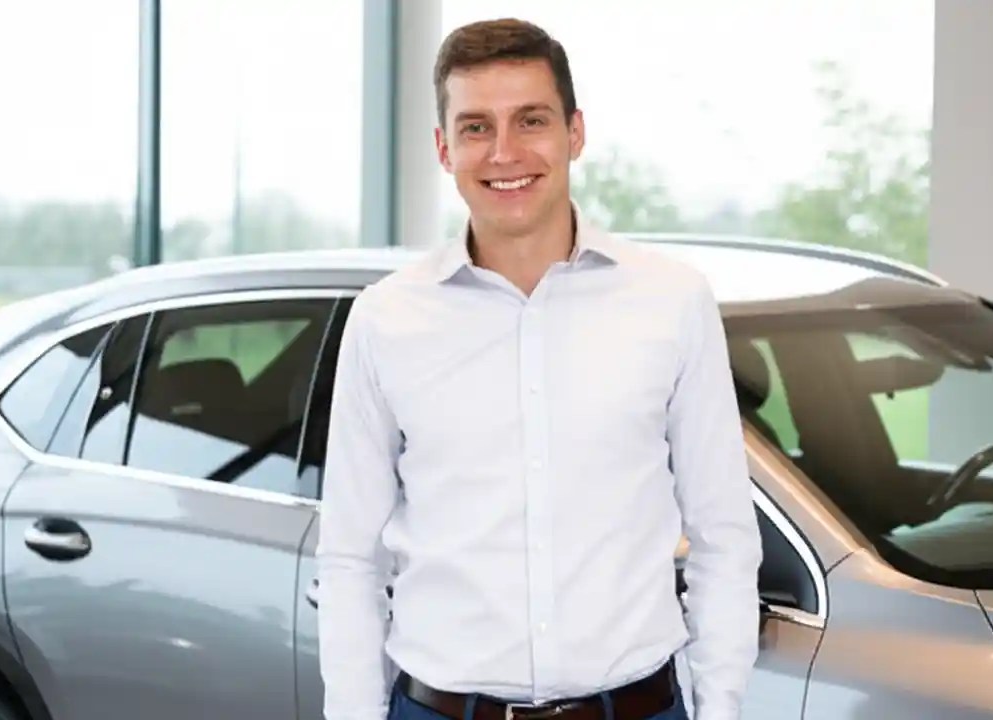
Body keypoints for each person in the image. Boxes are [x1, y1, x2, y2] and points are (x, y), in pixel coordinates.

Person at [317, 17, 763, 720]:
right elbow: (349, 558)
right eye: (475, 127)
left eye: (531, 120)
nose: (504, 152)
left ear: (575, 133)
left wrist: (720, 710)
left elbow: (725, 537)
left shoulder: (671, 302)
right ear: (442, 147)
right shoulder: (385, 321)